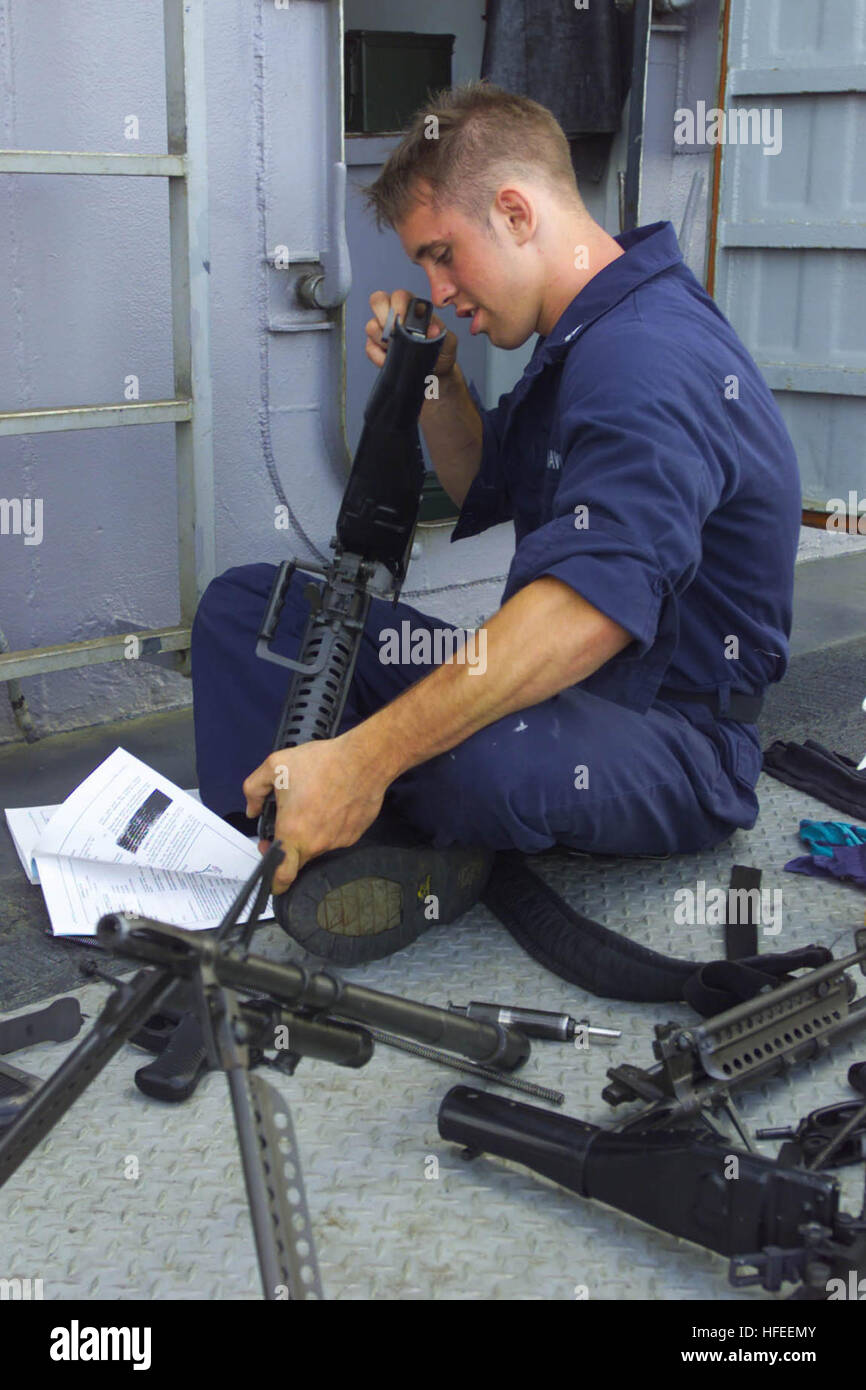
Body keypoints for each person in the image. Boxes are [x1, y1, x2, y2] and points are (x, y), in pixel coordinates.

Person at [190, 81, 801, 965]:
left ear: (515, 211)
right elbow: (484, 478)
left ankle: (357, 815)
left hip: (675, 737)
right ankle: (280, 844)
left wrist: (365, 759)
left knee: (471, 761)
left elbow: (585, 614)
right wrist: (438, 373)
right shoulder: (585, 334)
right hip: (561, 692)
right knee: (250, 611)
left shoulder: (645, 361)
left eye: (443, 256)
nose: (439, 288)